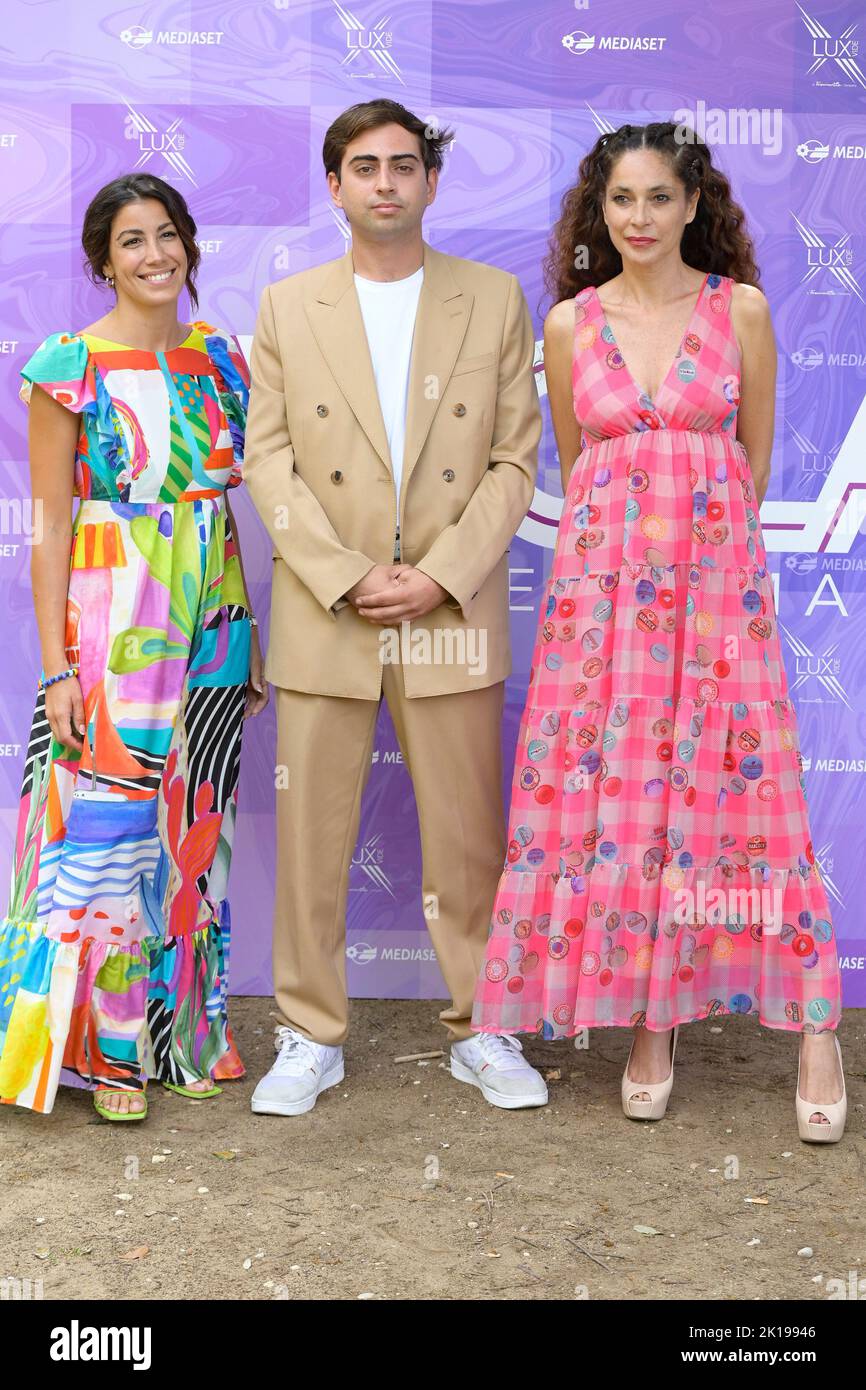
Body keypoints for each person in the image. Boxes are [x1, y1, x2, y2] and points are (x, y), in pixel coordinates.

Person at [471, 122, 847, 1144]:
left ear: (693, 205)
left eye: (656, 198)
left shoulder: (742, 312)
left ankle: (815, 1023)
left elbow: (750, 461)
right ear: (599, 211)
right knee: (628, 801)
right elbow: (582, 468)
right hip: (600, 609)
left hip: (716, 595)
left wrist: (703, 566)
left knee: (748, 792)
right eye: (619, 200)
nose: (637, 218)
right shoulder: (568, 324)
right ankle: (651, 1014)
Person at [244, 97, 548, 1116]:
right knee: (309, 838)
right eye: (364, 166)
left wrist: (442, 572)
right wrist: (341, 573)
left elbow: (513, 459)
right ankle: (309, 1030)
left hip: (449, 607)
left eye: (403, 164)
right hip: (324, 609)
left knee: (467, 835)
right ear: (334, 185)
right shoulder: (288, 307)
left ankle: (482, 1021)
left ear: (429, 180)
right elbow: (269, 456)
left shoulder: (491, 298)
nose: (385, 181)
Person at [0, 173, 267, 1122]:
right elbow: (47, 524)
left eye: (167, 236)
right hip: (111, 622)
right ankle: (113, 1055)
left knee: (199, 835)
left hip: (215, 622)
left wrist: (247, 638)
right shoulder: (68, 364)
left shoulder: (226, 360)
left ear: (189, 245)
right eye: (131, 242)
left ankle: (188, 1035)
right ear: (102, 261)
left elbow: (225, 514)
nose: (154, 255)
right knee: (111, 838)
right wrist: (55, 666)